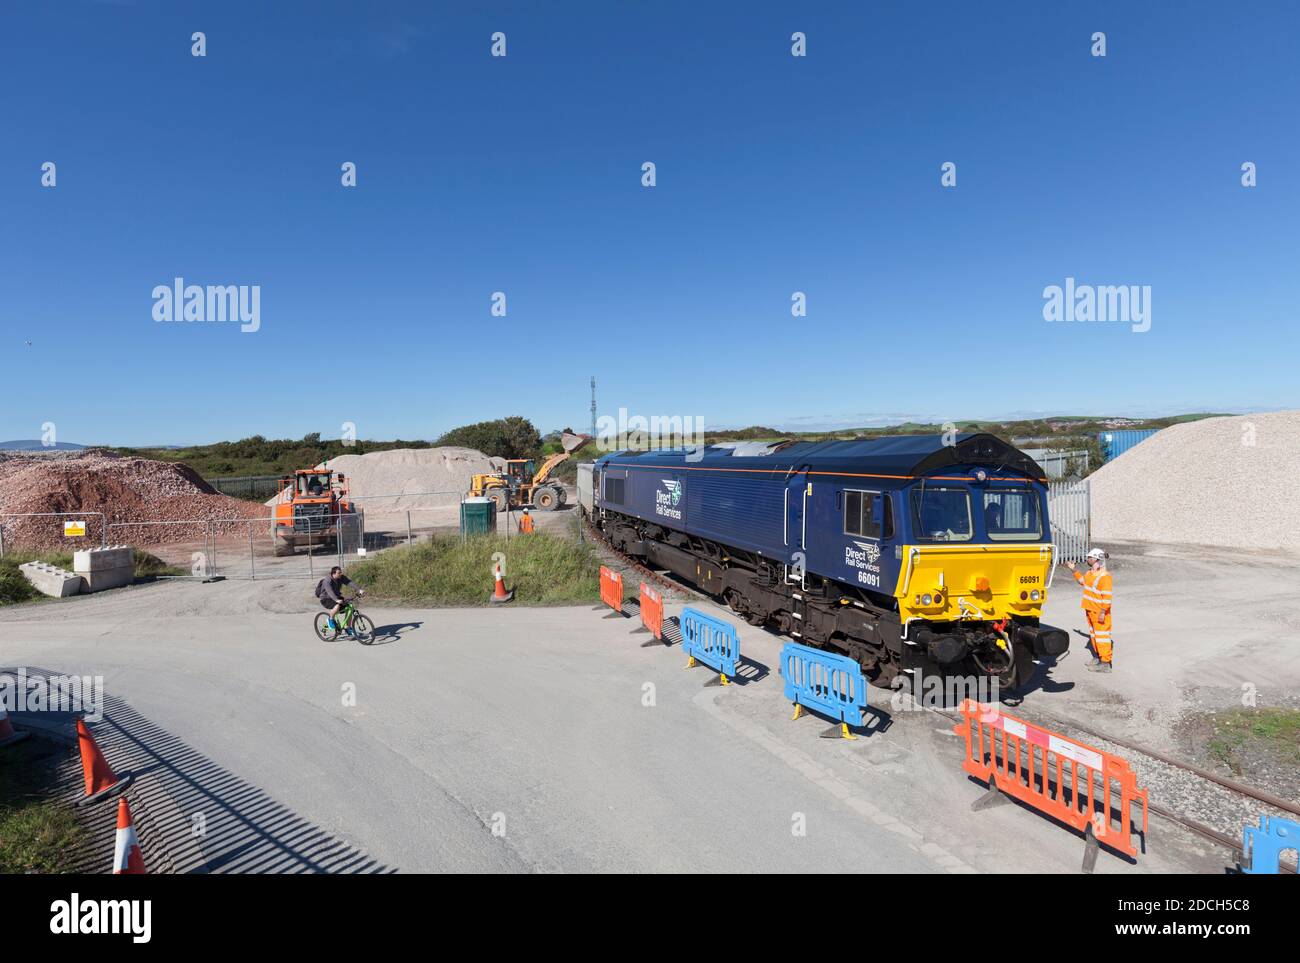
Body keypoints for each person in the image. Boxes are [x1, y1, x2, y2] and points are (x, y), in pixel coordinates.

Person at [1066, 548, 1113, 672]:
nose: (1087, 559)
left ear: (1096, 559)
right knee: (1094, 636)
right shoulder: (1090, 573)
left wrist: (1103, 612)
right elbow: (1083, 582)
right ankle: (1098, 657)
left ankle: (1105, 663)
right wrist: (1074, 570)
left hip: (1099, 612)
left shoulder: (1105, 576)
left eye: (1089, 558)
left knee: (1102, 637)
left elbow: (1107, 597)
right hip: (1090, 609)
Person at [315, 565, 362, 633]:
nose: (341, 574)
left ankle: (347, 628)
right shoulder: (327, 580)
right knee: (336, 606)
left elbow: (349, 582)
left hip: (336, 597)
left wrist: (359, 589)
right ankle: (330, 620)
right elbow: (329, 591)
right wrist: (336, 600)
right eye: (339, 573)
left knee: (349, 607)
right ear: (333, 573)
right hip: (326, 598)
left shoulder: (341, 577)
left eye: (341, 572)